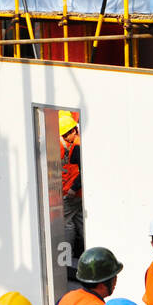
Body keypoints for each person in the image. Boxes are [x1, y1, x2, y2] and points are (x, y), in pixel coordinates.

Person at [59, 111, 85, 281]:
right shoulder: (73, 144)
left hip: (72, 193)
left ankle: (66, 264)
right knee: (81, 224)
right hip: (75, 193)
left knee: (67, 227)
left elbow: (81, 170)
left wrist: (73, 189)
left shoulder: (76, 146)